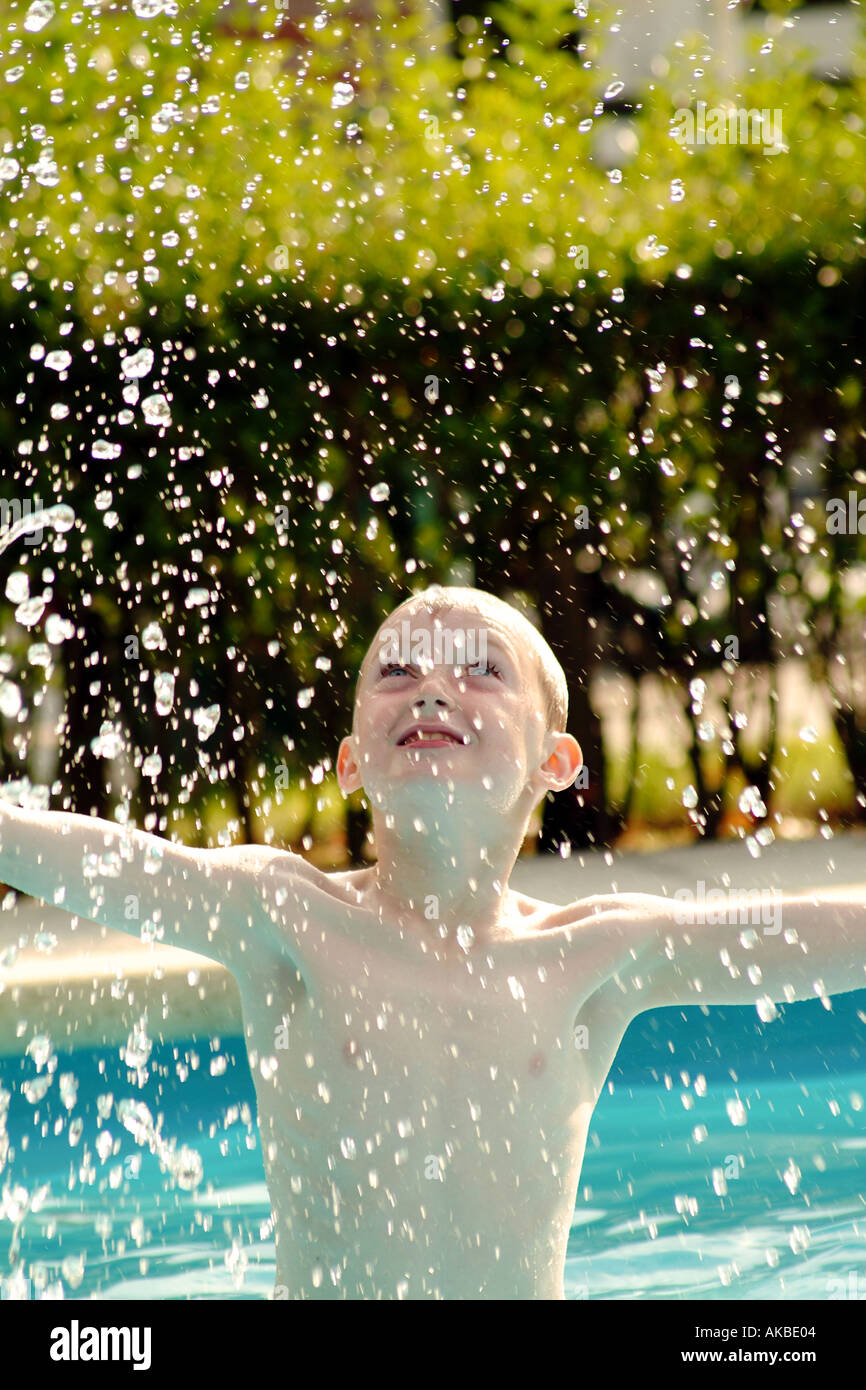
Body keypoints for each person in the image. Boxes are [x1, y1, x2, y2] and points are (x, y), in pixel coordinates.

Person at [1, 584, 863, 1300]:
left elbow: (788, 940)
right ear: (349, 763)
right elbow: (116, 864)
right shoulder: (286, 920)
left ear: (556, 763)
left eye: (482, 670)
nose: (431, 688)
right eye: (397, 670)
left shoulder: (595, 955)